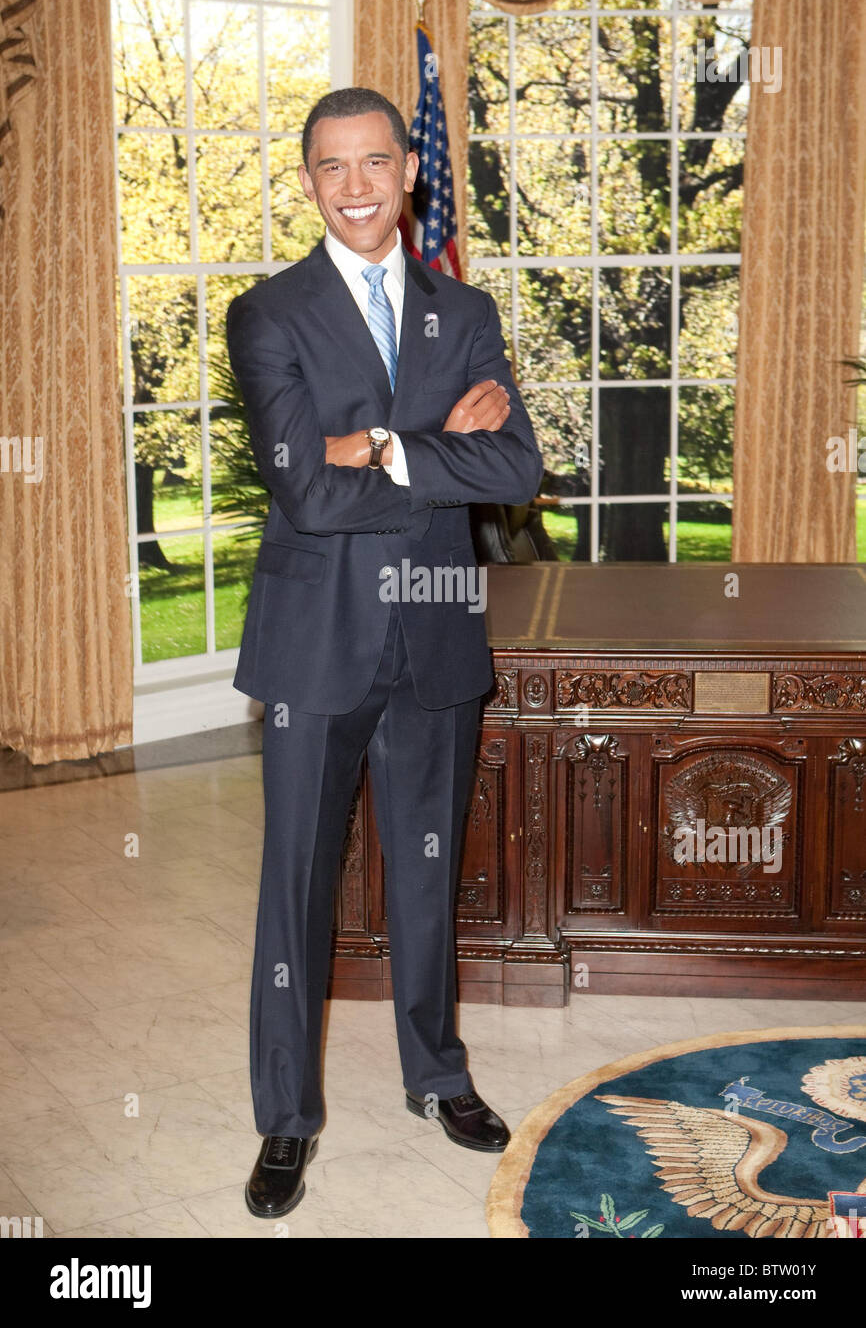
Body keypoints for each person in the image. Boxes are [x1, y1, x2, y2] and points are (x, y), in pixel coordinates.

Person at [226, 86, 544, 1219]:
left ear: (409, 171)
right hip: (314, 646)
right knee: (296, 893)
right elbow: (303, 493)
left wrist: (373, 445)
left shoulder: (462, 315)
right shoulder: (267, 314)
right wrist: (426, 449)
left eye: (374, 161)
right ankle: (285, 1118)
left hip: (436, 629)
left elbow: (514, 472)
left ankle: (437, 1075)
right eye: (331, 166)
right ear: (307, 180)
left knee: (423, 875)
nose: (355, 185)